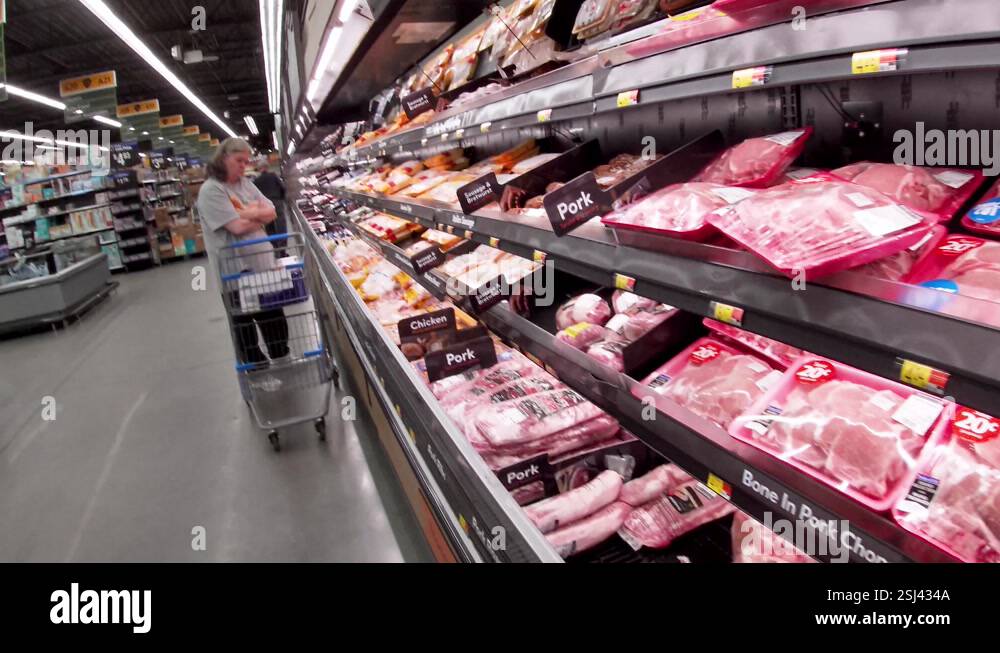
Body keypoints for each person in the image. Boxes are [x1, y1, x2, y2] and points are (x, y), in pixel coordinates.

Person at [197, 138, 289, 368]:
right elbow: (236, 228)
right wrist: (257, 215)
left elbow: (272, 211)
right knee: (245, 325)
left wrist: (250, 214)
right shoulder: (211, 190)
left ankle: (282, 360)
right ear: (223, 158)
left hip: (262, 264)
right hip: (235, 271)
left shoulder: (245, 183)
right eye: (239, 160)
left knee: (274, 319)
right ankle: (256, 371)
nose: (243, 166)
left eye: (246, 161)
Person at [253, 162, 287, 238]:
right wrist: (282, 198)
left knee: (269, 224)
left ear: (260, 169)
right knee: (281, 222)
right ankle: (283, 246)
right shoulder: (273, 176)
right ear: (266, 167)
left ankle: (274, 244)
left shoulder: (256, 181)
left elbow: (255, 195)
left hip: (265, 204)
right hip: (277, 201)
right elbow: (283, 188)